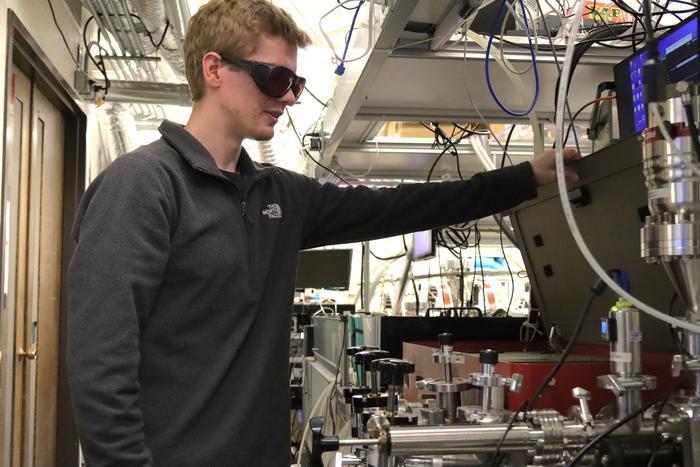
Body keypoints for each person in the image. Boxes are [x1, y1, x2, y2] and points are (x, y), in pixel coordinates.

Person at [67, 1, 580, 466]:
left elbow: (398, 207)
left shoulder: (280, 196)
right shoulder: (143, 186)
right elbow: (100, 363)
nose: (288, 97)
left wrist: (524, 178)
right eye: (274, 78)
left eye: (295, 84)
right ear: (215, 68)